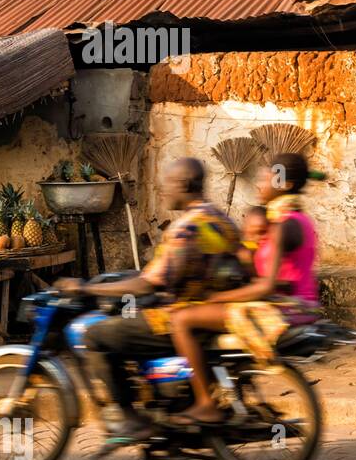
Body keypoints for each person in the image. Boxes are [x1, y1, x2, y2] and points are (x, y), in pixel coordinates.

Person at [61, 158, 245, 442]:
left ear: (184, 184)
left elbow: (149, 282)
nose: (163, 191)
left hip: (178, 317)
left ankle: (129, 418)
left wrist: (87, 288)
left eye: (167, 185)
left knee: (97, 335)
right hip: (215, 312)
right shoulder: (221, 220)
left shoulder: (186, 229)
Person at [168, 152, 320, 424]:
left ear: (284, 184)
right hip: (296, 306)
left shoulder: (283, 225)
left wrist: (216, 296)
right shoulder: (298, 220)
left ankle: (205, 403)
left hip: (281, 310)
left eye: (266, 178)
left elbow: (266, 286)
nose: (260, 184)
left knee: (181, 319)